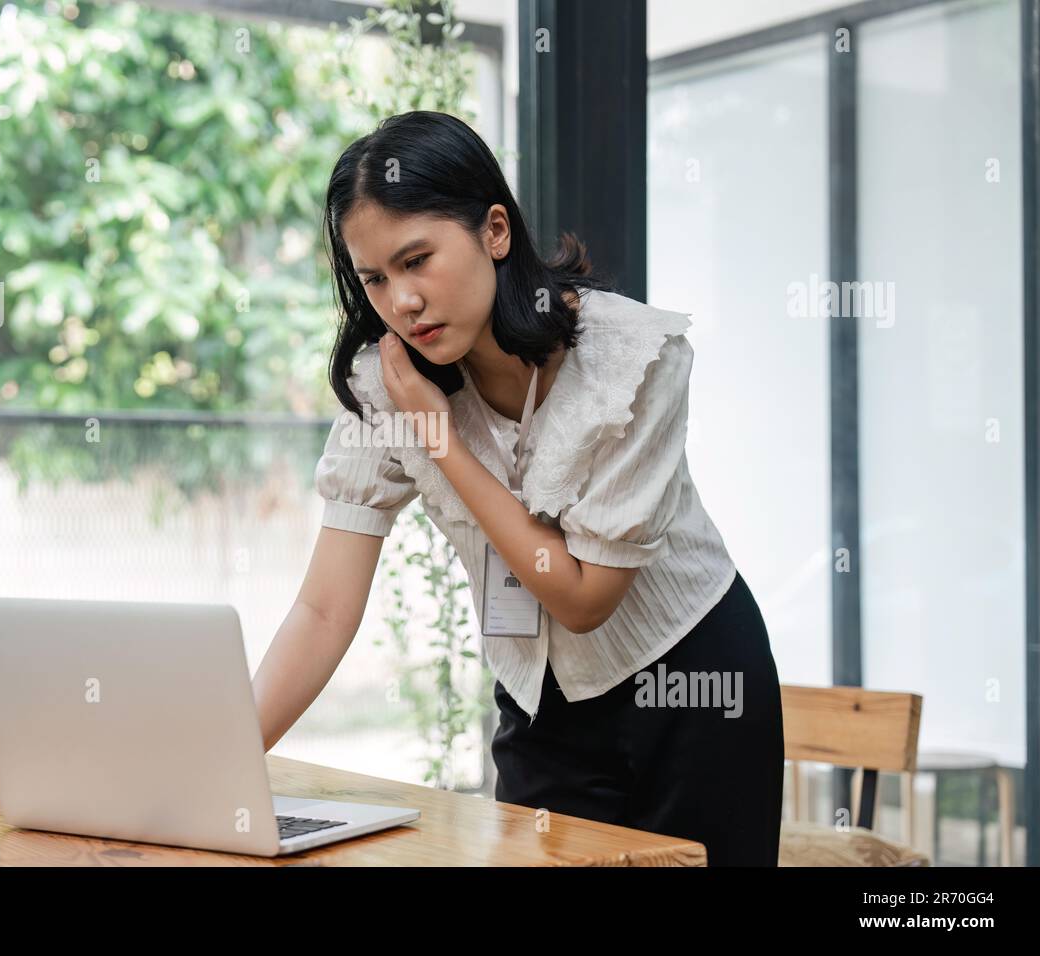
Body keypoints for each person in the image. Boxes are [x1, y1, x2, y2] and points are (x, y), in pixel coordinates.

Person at [251, 110, 784, 866]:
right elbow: (323, 608)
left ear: (494, 231)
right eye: (375, 278)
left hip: (692, 686)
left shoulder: (633, 358)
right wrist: (217, 767)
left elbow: (581, 598)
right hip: (543, 701)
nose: (401, 301)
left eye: (417, 259)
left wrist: (440, 438)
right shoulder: (391, 381)